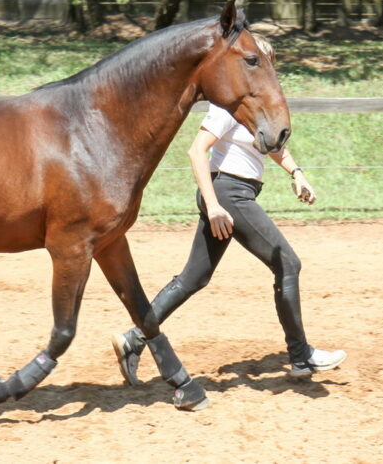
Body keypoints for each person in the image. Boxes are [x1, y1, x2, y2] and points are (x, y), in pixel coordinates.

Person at [112, 36, 346, 385]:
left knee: (193, 278)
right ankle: (301, 357)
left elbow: (271, 145)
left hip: (231, 194)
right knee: (288, 264)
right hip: (229, 194)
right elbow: (196, 151)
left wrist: (297, 173)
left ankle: (133, 340)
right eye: (262, 61)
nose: (268, 68)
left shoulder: (253, 106)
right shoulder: (227, 106)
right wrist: (214, 205)